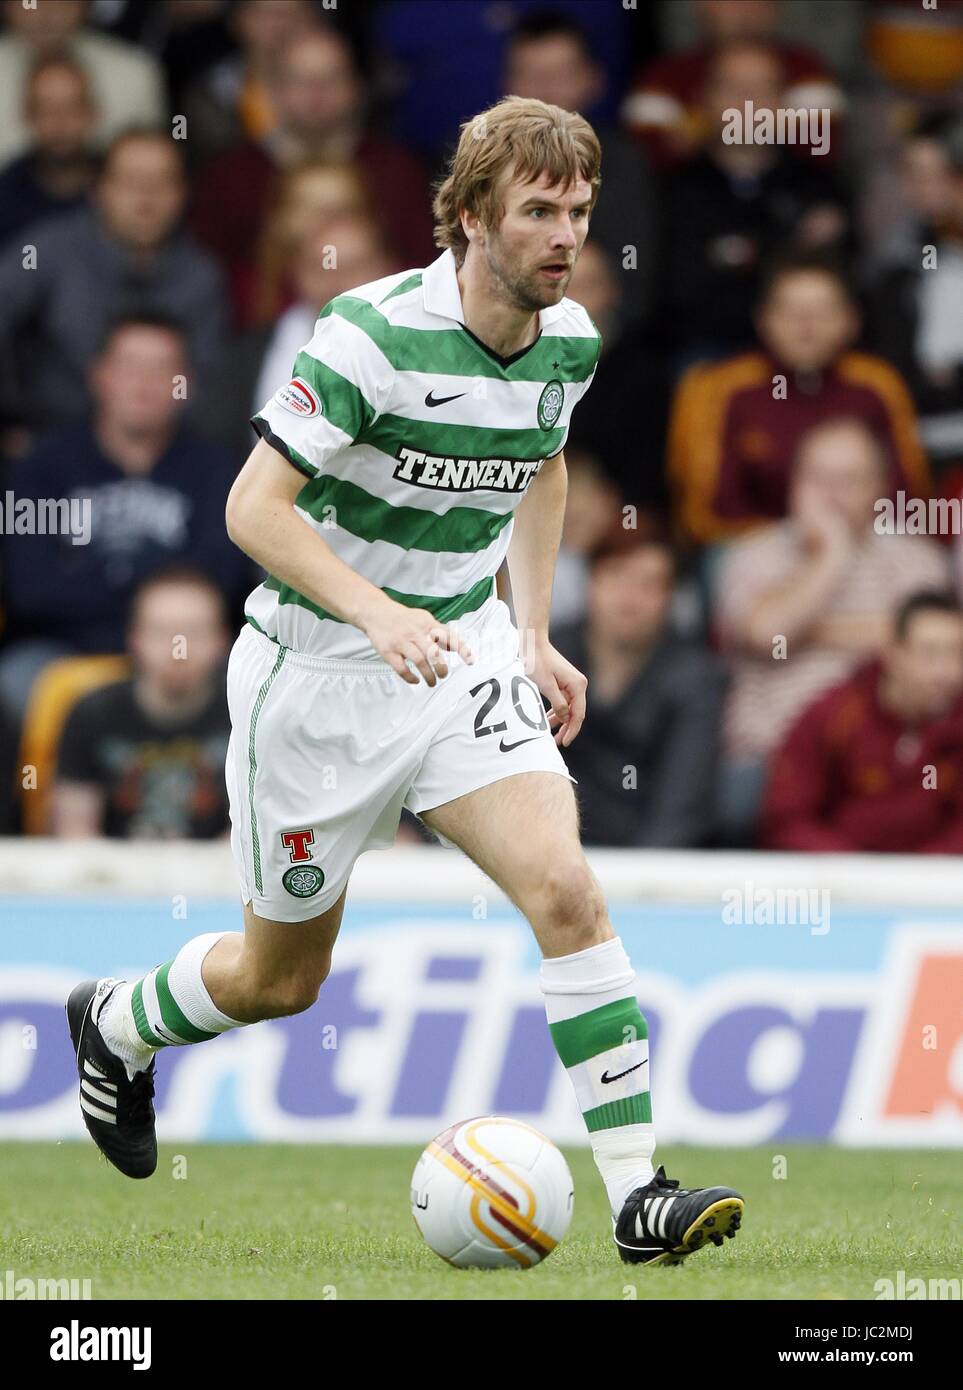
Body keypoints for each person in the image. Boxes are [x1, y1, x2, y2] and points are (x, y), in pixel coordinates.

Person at [66, 94, 743, 1267]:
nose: (565, 236)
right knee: (282, 980)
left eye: (579, 211)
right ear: (472, 215)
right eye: (539, 210)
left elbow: (542, 462)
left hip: (459, 654)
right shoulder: (368, 333)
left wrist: (532, 632)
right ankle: (118, 1023)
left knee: (568, 893)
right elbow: (250, 510)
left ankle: (640, 1195)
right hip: (318, 676)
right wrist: (375, 611)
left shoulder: (569, 340)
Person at [0, 313, 251, 719]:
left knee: (245, 687)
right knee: (13, 682)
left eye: (161, 370)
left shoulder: (219, 469)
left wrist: (94, 572)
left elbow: (219, 582)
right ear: (100, 376)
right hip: (61, 651)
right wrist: (146, 579)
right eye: (130, 366)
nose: (144, 383)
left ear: (184, 384)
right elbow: (29, 589)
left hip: (181, 652)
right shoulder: (40, 467)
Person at [714, 416, 949, 843]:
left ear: (879, 488)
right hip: (770, 754)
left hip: (889, 757)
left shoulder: (918, 561)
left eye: (848, 479)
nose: (831, 494)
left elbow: (927, 647)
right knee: (738, 799)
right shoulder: (752, 555)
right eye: (817, 477)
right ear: (794, 481)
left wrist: (805, 630)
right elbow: (767, 632)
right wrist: (833, 556)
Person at [670, 249, 931, 545]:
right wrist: (797, 543)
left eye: (823, 311)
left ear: (851, 320)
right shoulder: (720, 389)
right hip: (752, 548)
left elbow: (908, 494)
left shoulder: (876, 386)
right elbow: (705, 512)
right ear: (763, 319)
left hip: (869, 545)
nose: (806, 326)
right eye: (791, 311)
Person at [190, 25, 436, 325]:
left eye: (331, 78)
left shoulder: (398, 171)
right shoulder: (229, 177)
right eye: (301, 80)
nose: (317, 93)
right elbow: (211, 284)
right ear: (271, 89)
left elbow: (424, 276)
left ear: (356, 87)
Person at [0, 129, 227, 435]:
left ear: (183, 194)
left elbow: (206, 385)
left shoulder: (202, 276)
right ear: (98, 190)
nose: (146, 196)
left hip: (165, 455)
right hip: (49, 443)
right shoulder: (47, 250)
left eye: (162, 182)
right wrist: (10, 420)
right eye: (131, 181)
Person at [553, 537, 726, 848]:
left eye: (649, 584)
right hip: (549, 856)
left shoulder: (696, 675)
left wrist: (639, 882)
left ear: (671, 598)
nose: (629, 598)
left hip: (650, 868)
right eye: (616, 576)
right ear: (590, 582)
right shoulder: (547, 657)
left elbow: (682, 806)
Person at [762, 590, 963, 853]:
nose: (946, 671)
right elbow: (787, 817)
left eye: (957, 654)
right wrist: (853, 873)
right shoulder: (834, 715)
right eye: (930, 653)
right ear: (893, 653)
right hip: (838, 883)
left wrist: (920, 875)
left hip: (938, 885)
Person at [52, 568, 232, 841]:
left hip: (219, 878)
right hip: (109, 876)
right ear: (135, 638)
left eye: (195, 632)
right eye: (162, 632)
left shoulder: (246, 716)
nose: (177, 650)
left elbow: (255, 836)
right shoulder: (91, 713)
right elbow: (74, 833)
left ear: (222, 640)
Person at [0, 0, 164, 163]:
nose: (45, 13)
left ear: (85, 5)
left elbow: (154, 162)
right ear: (6, 6)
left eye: (60, 2)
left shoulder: (135, 73)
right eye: (30, 2)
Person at [0, 52, 98, 249]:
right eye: (46, 110)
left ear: (93, 113)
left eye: (71, 107)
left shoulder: (122, 183)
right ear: (27, 116)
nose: (59, 122)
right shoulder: (5, 194)